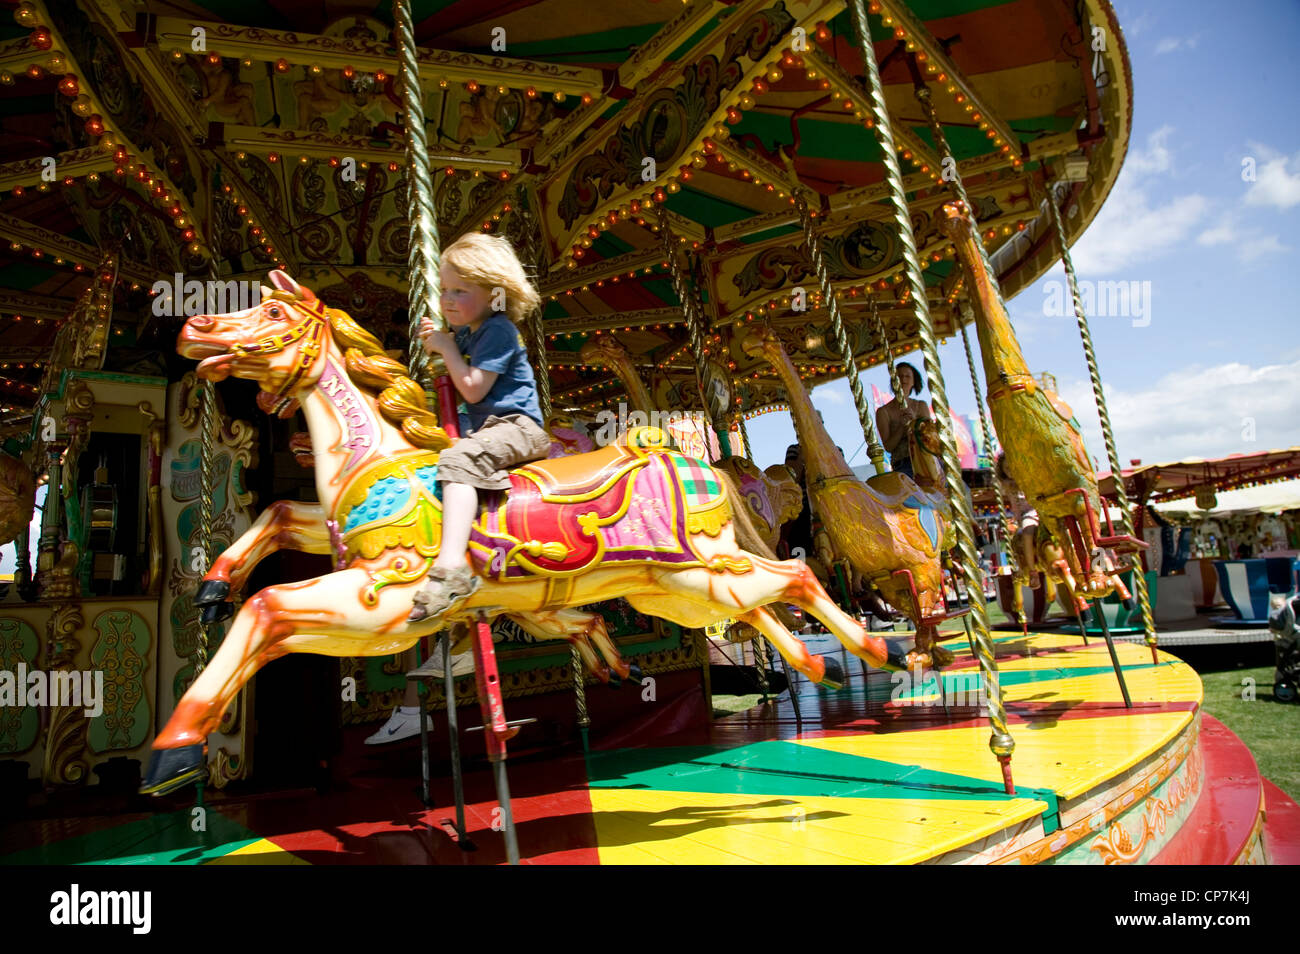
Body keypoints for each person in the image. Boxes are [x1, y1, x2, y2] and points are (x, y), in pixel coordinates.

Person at [367, 232, 550, 744]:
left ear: (492, 293)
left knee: (458, 458)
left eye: (458, 291)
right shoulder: (473, 331)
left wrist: (446, 347)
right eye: (444, 291)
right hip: (488, 427)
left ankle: (451, 570)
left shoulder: (497, 329)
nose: (446, 300)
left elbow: (473, 389)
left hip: (518, 428)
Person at [874, 361, 932, 479]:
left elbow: (929, 436)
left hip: (925, 459)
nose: (903, 379)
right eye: (899, 376)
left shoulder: (920, 405)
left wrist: (914, 422)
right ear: (893, 380)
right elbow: (888, 446)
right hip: (903, 463)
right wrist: (901, 427)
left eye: (907, 376)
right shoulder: (883, 412)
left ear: (913, 381)